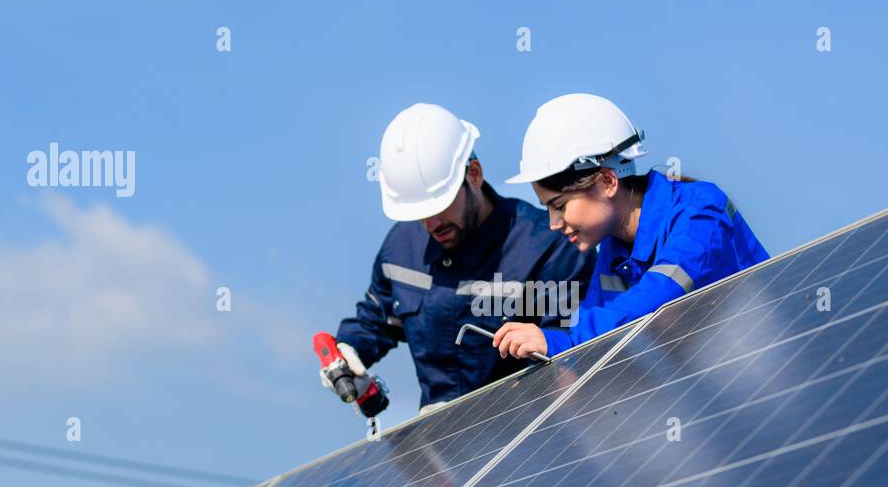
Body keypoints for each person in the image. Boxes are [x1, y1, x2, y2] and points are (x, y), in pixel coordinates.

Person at [324, 102, 593, 412]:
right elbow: (376, 321)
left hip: (531, 442)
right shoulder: (401, 247)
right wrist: (349, 351)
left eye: (440, 207)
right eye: (418, 213)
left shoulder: (548, 247)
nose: (430, 225)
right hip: (436, 442)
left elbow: (572, 354)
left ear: (474, 175)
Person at [492, 94, 769, 359]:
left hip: (770, 368)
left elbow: (659, 296)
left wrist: (560, 342)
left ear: (607, 182)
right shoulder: (614, 253)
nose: (553, 223)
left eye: (560, 205)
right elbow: (592, 334)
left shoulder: (701, 211)